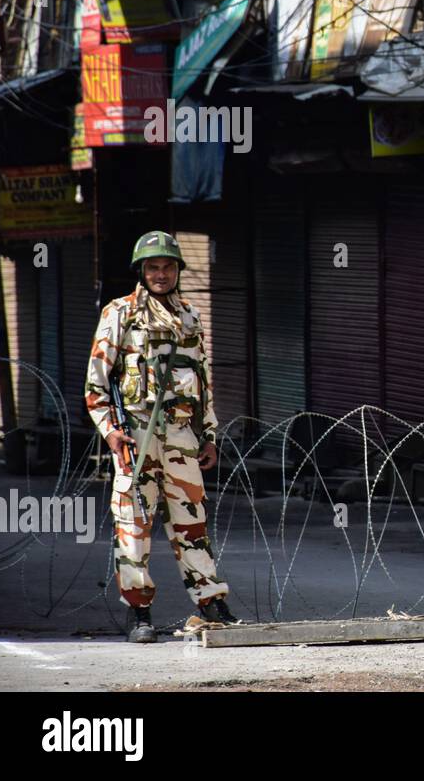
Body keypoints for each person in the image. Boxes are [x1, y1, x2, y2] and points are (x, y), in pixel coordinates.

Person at [85, 230, 239, 643]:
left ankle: (210, 602)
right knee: (133, 526)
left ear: (177, 271)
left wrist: (208, 434)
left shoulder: (189, 316)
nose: (161, 273)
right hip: (136, 435)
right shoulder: (120, 314)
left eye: (168, 266)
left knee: (192, 523)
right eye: (153, 267)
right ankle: (140, 613)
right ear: (141, 271)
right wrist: (113, 435)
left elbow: (202, 380)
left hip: (181, 435)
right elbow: (96, 387)